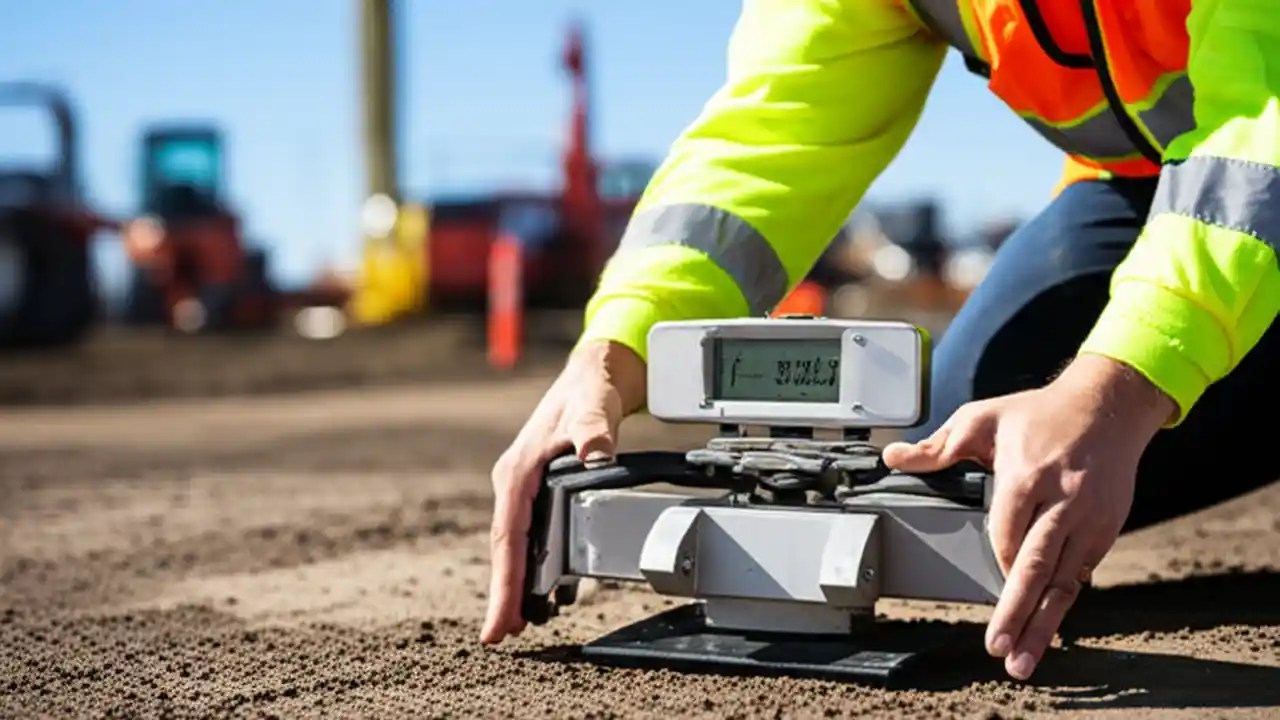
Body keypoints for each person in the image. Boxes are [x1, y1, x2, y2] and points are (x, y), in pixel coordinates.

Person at [481, 0, 1280, 683]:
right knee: (989, 431)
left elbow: (1261, 127)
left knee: (1097, 407)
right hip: (1153, 181)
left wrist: (1125, 382)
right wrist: (614, 346)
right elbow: (773, 130)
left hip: (1255, 156)